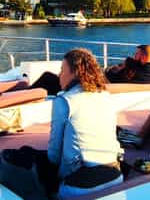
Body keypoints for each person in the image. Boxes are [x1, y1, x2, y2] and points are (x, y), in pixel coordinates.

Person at [43, 49, 123, 197]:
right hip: (115, 176)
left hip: (80, 184)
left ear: (75, 72)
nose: (59, 75)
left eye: (62, 70)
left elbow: (53, 155)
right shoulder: (106, 96)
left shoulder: (64, 101)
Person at [30, 43, 150, 96]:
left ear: (142, 56)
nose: (134, 56)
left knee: (48, 77)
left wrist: (103, 73)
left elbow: (113, 81)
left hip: (98, 84)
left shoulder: (133, 67)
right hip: (104, 82)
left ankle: (27, 94)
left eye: (136, 54)